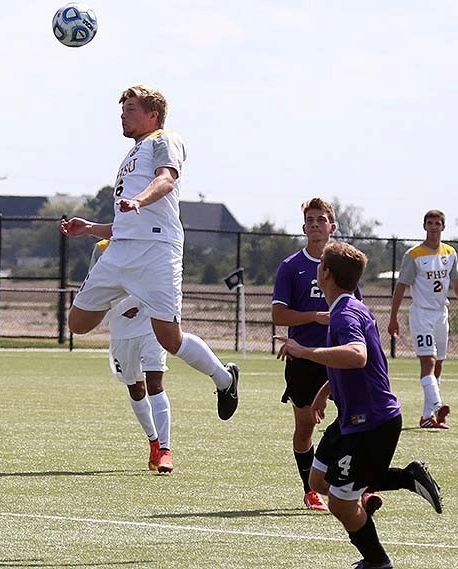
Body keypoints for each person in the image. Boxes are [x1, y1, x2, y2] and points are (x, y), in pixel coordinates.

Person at [60, 84, 239, 421]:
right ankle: (130, 299)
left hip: (156, 252)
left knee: (170, 339)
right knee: (77, 323)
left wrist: (139, 200)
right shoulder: (131, 154)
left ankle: (225, 378)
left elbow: (167, 180)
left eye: (130, 109)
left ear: (152, 115)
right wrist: (91, 229)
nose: (123, 116)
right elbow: (127, 223)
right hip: (121, 252)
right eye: (122, 110)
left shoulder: (164, 139)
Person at [277, 242, 444, 569]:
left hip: (372, 423)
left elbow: (358, 356)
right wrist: (326, 389)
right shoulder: (351, 306)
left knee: (340, 503)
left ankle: (377, 561)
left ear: (325, 272)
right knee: (317, 481)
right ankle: (406, 478)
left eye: (321, 262)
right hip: (351, 419)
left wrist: (304, 351)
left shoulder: (345, 314)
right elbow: (365, 362)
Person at [272, 197, 358, 512]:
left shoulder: (343, 263)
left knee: (355, 420)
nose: (315, 225)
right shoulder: (291, 266)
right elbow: (278, 315)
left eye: (321, 220)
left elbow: (355, 307)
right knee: (305, 426)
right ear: (304, 226)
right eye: (310, 220)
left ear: (332, 226)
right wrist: (315, 317)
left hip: (337, 357)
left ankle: (354, 486)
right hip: (303, 360)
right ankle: (310, 488)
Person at [388, 209, 458, 429]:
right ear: (424, 226)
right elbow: (401, 287)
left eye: (437, 223)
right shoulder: (414, 255)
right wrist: (393, 317)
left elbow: (457, 282)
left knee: (438, 364)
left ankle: (427, 417)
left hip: (442, 314)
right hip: (422, 314)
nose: (433, 227)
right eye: (429, 223)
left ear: (443, 226)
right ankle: (438, 406)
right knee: (428, 362)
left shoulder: (450, 253)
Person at [93, 239, 174, 474]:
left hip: (151, 325)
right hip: (122, 334)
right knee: (135, 389)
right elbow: (95, 288)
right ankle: (153, 443)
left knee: (155, 383)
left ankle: (165, 451)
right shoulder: (102, 248)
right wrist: (119, 304)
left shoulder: (155, 242)